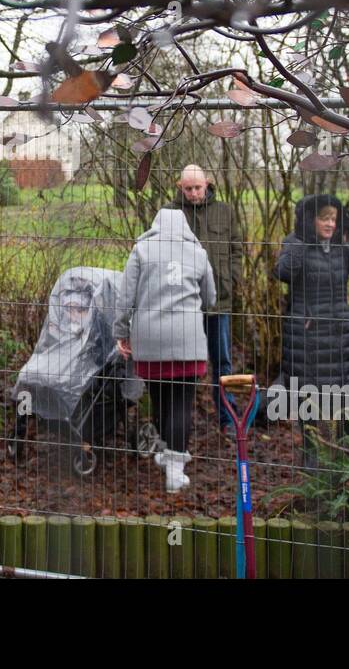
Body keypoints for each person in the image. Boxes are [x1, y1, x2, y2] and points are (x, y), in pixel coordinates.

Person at [113, 208, 216, 493]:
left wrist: (121, 332)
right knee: (181, 403)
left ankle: (165, 454)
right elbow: (211, 297)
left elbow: (125, 297)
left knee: (160, 397)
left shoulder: (142, 249)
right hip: (187, 340)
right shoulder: (198, 252)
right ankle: (175, 469)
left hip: (150, 341)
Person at [273, 194, 349, 470]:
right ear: (311, 220)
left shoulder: (342, 247)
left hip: (341, 331)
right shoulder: (295, 243)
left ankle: (347, 453)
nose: (330, 224)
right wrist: (301, 242)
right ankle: (311, 454)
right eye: (324, 218)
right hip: (307, 334)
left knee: (348, 391)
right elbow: (283, 273)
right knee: (308, 393)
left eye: (334, 218)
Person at [171, 164, 243, 429]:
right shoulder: (171, 214)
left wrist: (231, 279)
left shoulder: (225, 212)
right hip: (184, 305)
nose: (193, 193)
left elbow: (237, 250)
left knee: (222, 362)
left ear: (207, 184)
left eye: (197, 188)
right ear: (180, 187)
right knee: (185, 365)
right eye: (187, 188)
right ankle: (182, 421)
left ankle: (227, 418)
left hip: (219, 303)